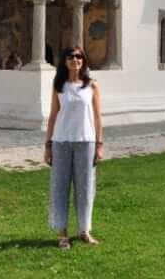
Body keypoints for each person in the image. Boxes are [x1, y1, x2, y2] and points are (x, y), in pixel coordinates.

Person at [44, 46, 104, 250]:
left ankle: (84, 230)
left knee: (85, 188)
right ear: (64, 61)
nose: (75, 60)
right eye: (70, 57)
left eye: (79, 56)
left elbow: (97, 117)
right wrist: (48, 145)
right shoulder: (59, 85)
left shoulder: (92, 86)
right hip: (61, 142)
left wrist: (99, 145)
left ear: (83, 61)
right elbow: (53, 116)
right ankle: (62, 233)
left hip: (86, 142)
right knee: (60, 188)